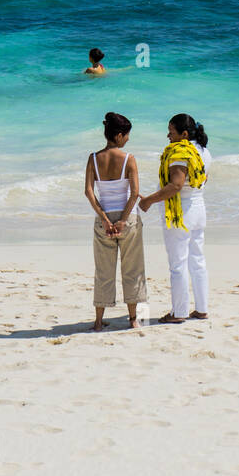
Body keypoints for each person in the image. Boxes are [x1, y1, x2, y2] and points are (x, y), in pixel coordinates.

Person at [139, 114, 211, 324]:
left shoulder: (180, 153)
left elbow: (176, 186)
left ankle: (179, 312)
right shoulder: (203, 152)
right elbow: (204, 178)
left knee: (177, 265)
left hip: (181, 214)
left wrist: (149, 201)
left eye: (171, 131)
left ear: (184, 134)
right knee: (197, 260)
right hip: (199, 209)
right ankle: (202, 308)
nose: (168, 135)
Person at [84, 111, 146, 331]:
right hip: (127, 220)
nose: (128, 139)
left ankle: (99, 321)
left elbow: (89, 192)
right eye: (127, 135)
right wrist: (122, 221)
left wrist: (104, 218)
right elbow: (134, 193)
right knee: (132, 269)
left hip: (104, 221)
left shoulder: (93, 158)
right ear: (119, 136)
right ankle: (133, 319)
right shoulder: (129, 159)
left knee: (103, 271)